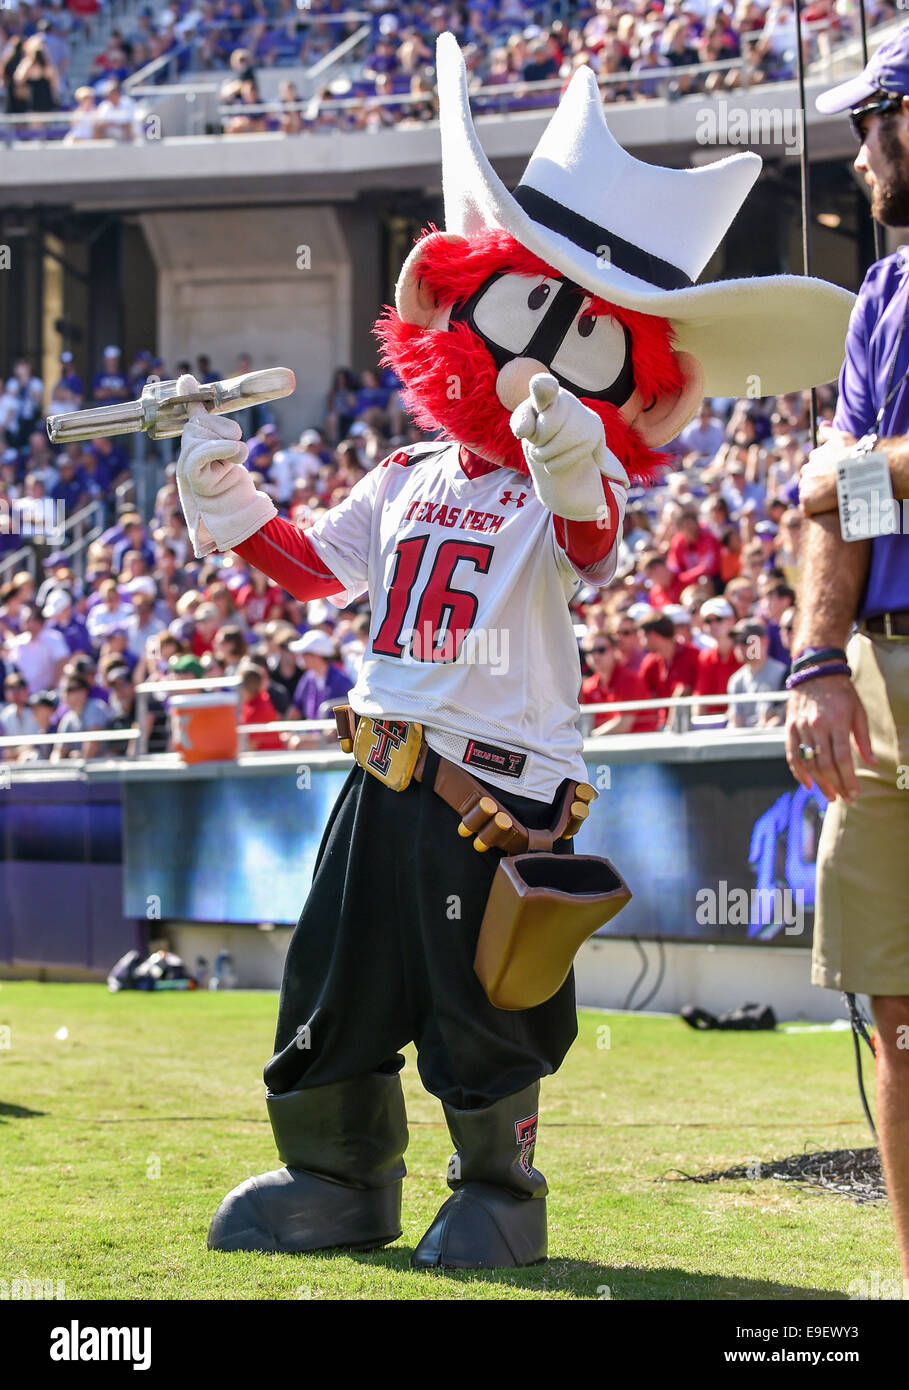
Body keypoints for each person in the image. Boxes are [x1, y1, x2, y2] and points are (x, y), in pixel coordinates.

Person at [172, 34, 849, 1270]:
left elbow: (593, 547)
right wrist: (229, 507)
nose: (540, 351)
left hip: (489, 783)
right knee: (337, 978)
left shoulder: (563, 482)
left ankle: (499, 1189)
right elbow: (320, 568)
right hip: (378, 766)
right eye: (527, 308)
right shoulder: (409, 469)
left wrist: (571, 461)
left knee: (481, 998)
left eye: (589, 340)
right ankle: (334, 1177)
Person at [787, 29, 909, 1298]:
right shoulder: (882, 293)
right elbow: (839, 510)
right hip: (880, 675)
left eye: (873, 123)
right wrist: (816, 659)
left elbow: (844, 480)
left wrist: (850, 470)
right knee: (897, 1018)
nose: (860, 156)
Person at [580, 631, 657, 734]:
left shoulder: (630, 680)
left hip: (641, 745)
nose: (595, 656)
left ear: (614, 650)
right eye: (589, 651)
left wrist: (590, 737)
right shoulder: (588, 686)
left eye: (601, 650)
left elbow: (624, 724)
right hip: (608, 746)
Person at [727, 619, 786, 728]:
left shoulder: (782, 673)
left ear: (764, 641)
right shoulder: (736, 680)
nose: (739, 646)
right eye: (736, 641)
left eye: (745, 641)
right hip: (743, 742)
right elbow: (736, 722)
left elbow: (780, 718)